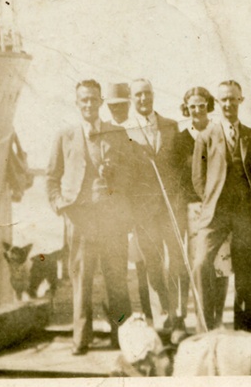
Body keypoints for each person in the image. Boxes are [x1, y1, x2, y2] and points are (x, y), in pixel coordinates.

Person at [46, 80, 133, 355]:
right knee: (81, 279)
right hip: (80, 219)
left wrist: (115, 174)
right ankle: (81, 340)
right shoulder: (65, 135)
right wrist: (59, 203)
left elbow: (131, 176)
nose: (88, 104)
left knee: (117, 279)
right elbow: (51, 176)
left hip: (111, 220)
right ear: (77, 104)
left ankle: (122, 337)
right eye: (83, 100)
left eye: (93, 99)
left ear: (100, 102)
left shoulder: (117, 133)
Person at [192, 80, 251, 332]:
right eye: (223, 99)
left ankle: (244, 330)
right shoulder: (205, 136)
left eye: (233, 99)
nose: (228, 104)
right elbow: (198, 177)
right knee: (201, 263)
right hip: (215, 214)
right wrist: (210, 201)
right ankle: (208, 326)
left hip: (244, 213)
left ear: (240, 101)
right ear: (218, 102)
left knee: (245, 272)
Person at [122, 79, 189, 344]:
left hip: (172, 207)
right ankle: (161, 316)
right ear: (131, 98)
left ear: (153, 95)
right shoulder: (125, 131)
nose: (143, 99)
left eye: (147, 93)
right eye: (138, 95)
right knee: (152, 265)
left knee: (176, 263)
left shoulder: (172, 126)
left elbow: (182, 167)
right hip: (144, 211)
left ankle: (178, 316)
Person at [172, 87, 232, 329]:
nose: (197, 110)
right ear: (186, 107)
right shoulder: (180, 138)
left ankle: (218, 319)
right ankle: (203, 321)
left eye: (202, 104)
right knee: (199, 265)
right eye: (192, 105)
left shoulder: (219, 132)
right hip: (195, 209)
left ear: (209, 105)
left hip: (221, 206)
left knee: (222, 264)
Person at [105, 82, 153, 323]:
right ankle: (121, 319)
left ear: (129, 104)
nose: (118, 110)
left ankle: (150, 314)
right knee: (116, 266)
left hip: (139, 207)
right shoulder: (103, 131)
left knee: (144, 262)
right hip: (113, 210)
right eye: (113, 106)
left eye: (122, 105)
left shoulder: (138, 129)